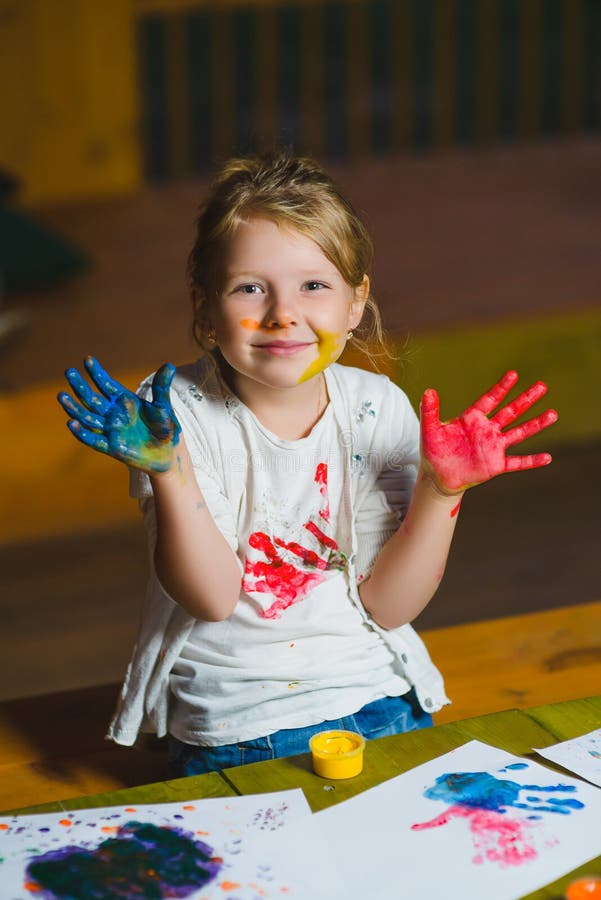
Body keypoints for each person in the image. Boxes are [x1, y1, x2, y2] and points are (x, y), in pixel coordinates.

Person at [58, 153, 557, 777]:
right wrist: (169, 470)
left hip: (380, 699)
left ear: (356, 302)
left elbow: (389, 607)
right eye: (249, 287)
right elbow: (211, 599)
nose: (282, 313)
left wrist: (440, 490)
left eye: (313, 285)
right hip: (236, 720)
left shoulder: (376, 408)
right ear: (205, 307)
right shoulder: (173, 414)